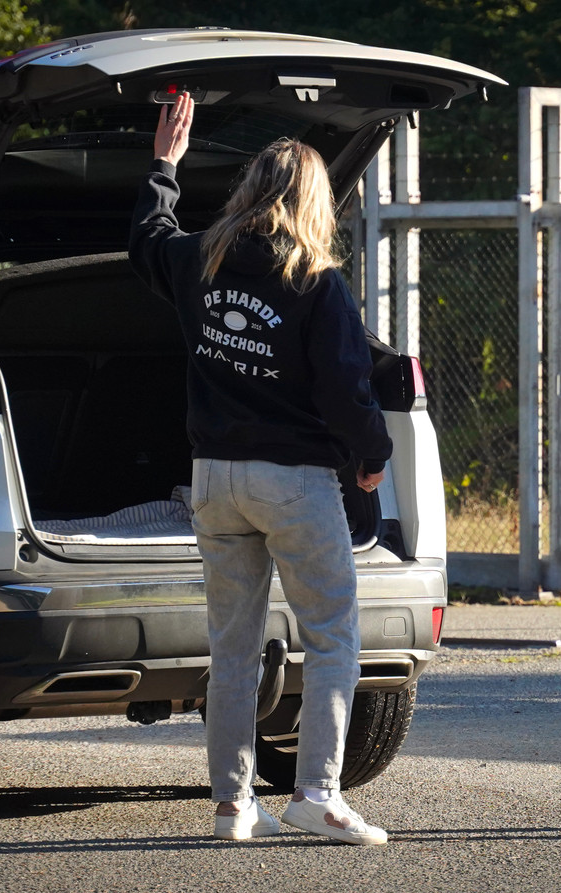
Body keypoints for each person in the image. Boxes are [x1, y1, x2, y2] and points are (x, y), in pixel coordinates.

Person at [130, 92, 391, 846]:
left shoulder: (199, 260)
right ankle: (316, 795)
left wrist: (165, 165)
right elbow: (346, 389)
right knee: (333, 636)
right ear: (315, 201)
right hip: (293, 482)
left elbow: (146, 237)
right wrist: (372, 455)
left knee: (233, 648)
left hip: (213, 480)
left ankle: (232, 806)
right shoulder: (317, 280)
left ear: (248, 190)